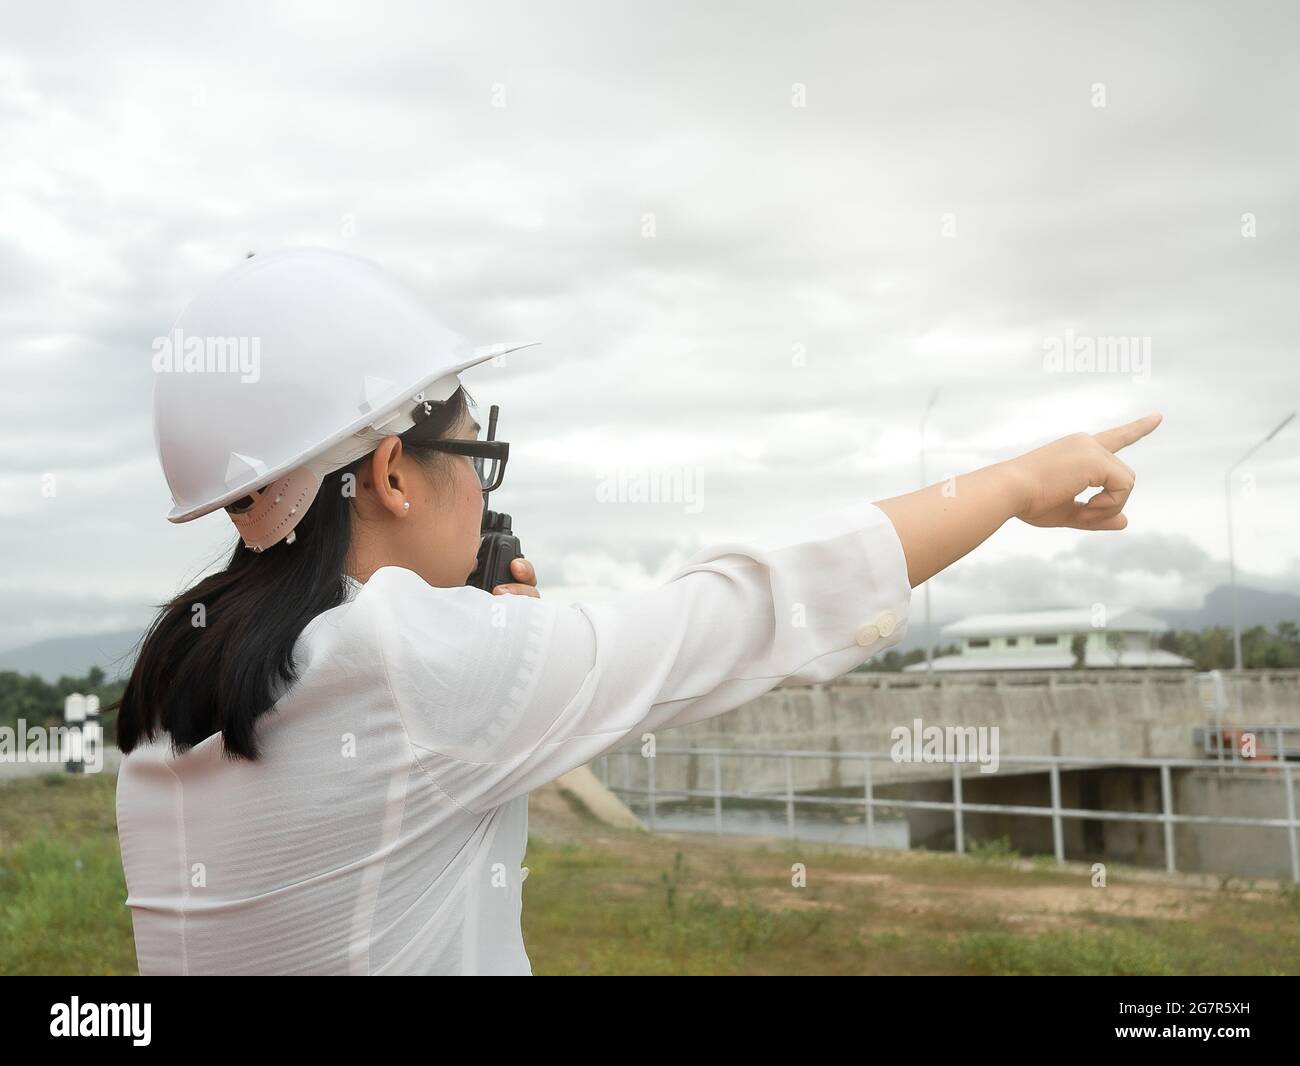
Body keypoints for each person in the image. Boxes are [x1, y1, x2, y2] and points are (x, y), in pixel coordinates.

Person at [114, 246, 1162, 975]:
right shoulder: (415, 665)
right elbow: (746, 610)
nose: (485, 487)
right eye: (476, 454)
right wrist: (1020, 482)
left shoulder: (175, 685)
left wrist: (489, 643)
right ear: (392, 473)